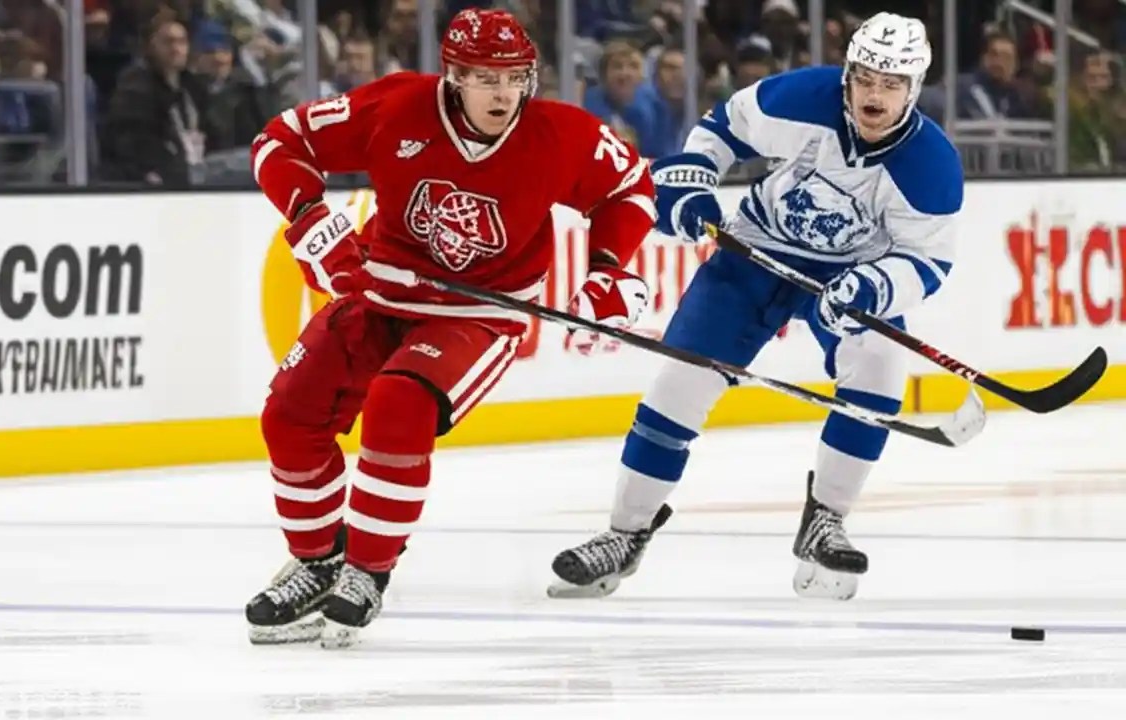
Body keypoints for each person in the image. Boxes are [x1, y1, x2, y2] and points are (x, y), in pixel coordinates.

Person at [245, 8, 656, 648]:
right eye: (486, 79)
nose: (504, 93)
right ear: (454, 75)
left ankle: (366, 569)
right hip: (380, 294)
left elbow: (629, 186)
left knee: (399, 403)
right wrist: (306, 217)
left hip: (479, 313)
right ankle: (318, 560)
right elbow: (279, 141)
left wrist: (605, 267)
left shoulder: (559, 133)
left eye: (515, 78)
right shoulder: (397, 106)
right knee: (289, 413)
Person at [548, 12, 963, 602]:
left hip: (849, 274)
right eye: (866, 78)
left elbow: (927, 262)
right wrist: (693, 181)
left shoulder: (932, 165)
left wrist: (872, 288)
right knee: (681, 382)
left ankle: (827, 518)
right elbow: (720, 129)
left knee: (879, 370)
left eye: (891, 84)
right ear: (848, 73)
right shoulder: (799, 97)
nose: (874, 95)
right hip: (755, 253)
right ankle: (626, 532)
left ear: (914, 89)